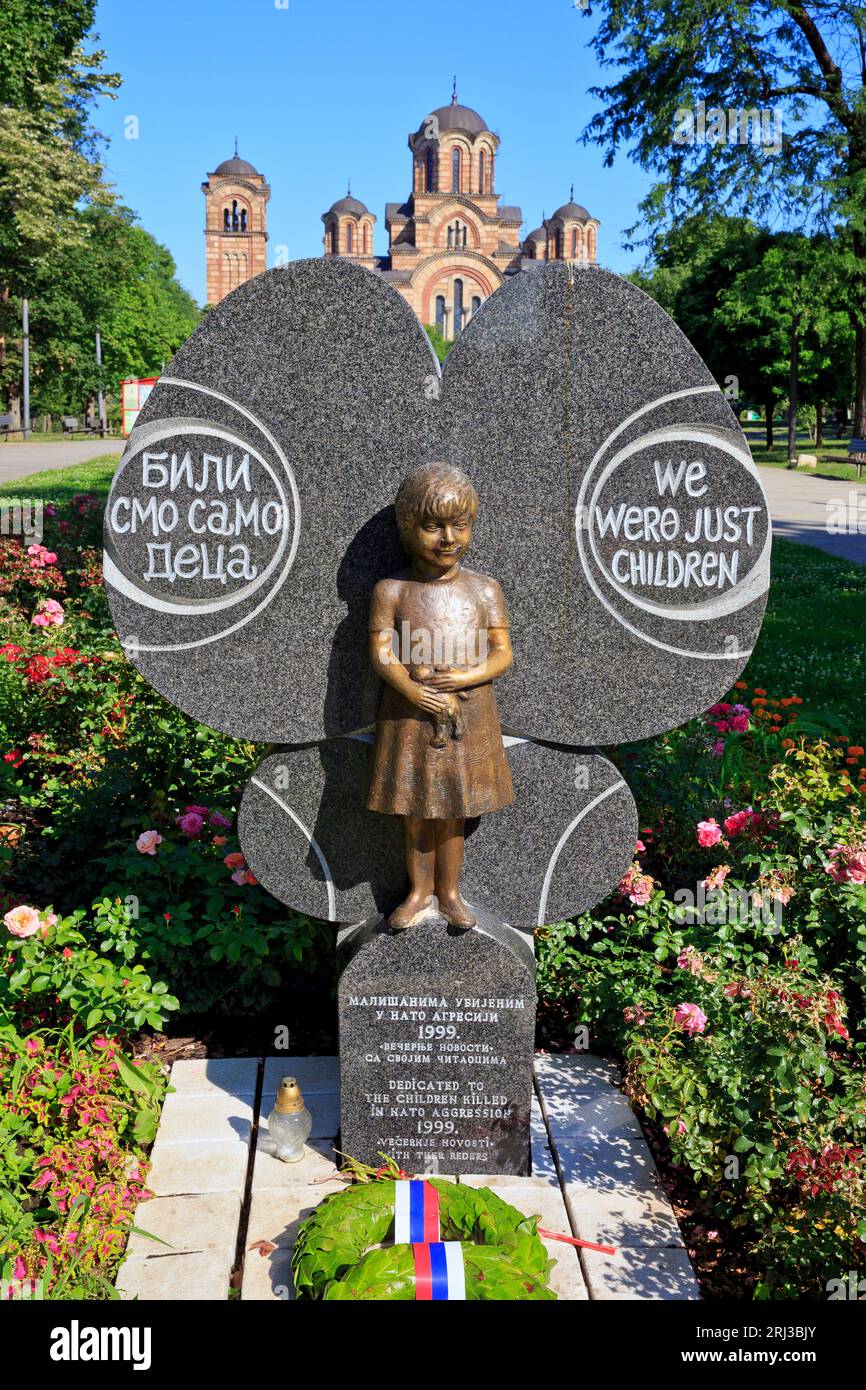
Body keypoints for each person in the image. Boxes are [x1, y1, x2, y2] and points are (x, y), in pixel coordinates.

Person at [367, 462, 514, 929]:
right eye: (433, 527)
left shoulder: (484, 590)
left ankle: (450, 895)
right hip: (409, 715)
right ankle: (417, 893)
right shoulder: (391, 590)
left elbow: (502, 653)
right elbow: (382, 654)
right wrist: (416, 691)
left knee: (454, 807)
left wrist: (466, 676)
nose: (448, 538)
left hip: (468, 714)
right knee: (414, 806)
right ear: (407, 528)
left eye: (460, 525)